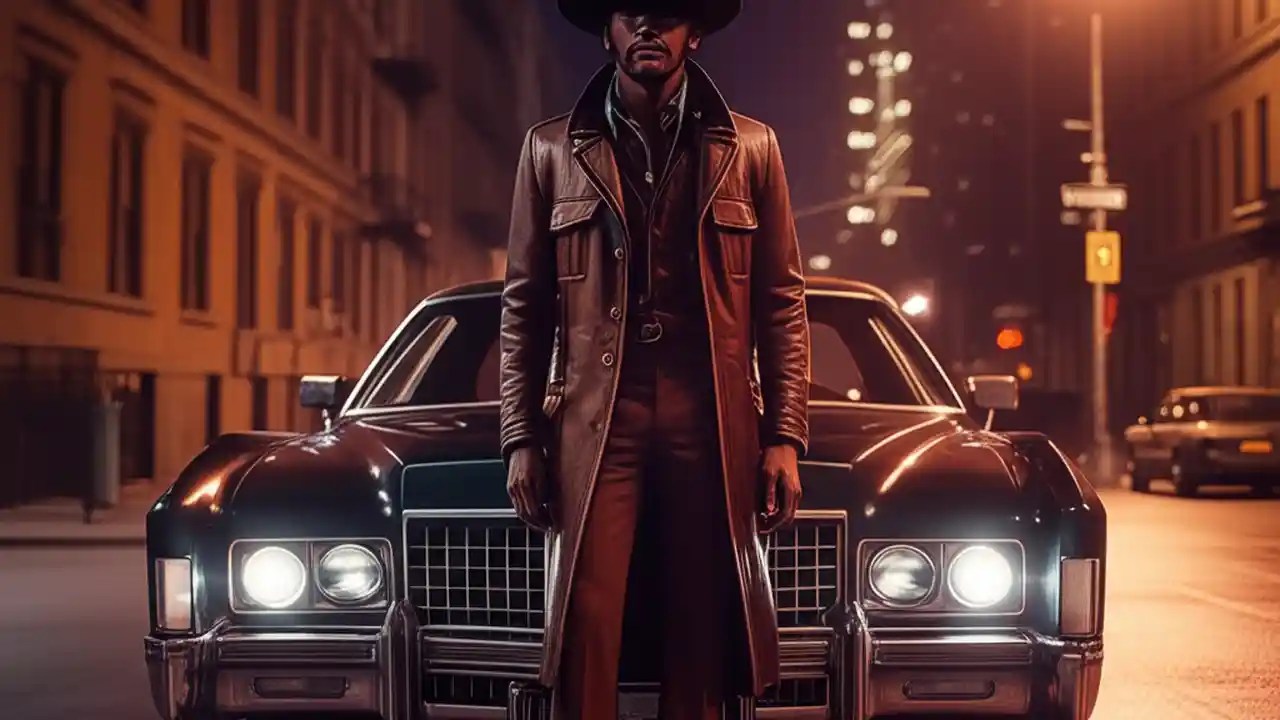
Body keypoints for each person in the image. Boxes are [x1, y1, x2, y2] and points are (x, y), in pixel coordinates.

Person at [499, 1, 810, 717]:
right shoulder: (550, 150)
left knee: (700, 616)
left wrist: (785, 436)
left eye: (667, 14)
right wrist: (520, 437)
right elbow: (524, 306)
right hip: (597, 417)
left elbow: (781, 302)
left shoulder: (752, 148)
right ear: (607, 31)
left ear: (693, 33)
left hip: (710, 414)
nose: (648, 28)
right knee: (588, 614)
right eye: (630, 12)